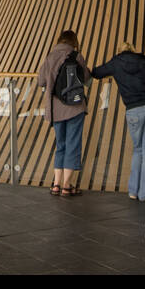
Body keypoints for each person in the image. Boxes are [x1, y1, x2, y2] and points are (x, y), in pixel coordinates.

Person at [90, 41, 145, 201]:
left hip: (133, 110)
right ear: (134, 50)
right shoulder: (144, 61)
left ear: (120, 51)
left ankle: (133, 191)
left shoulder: (116, 62)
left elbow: (97, 73)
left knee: (138, 150)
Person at [36, 30, 90, 197]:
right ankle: (67, 185)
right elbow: (87, 78)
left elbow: (40, 82)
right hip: (74, 108)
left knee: (61, 145)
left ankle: (56, 184)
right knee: (73, 144)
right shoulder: (76, 56)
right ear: (73, 41)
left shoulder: (50, 57)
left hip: (56, 109)